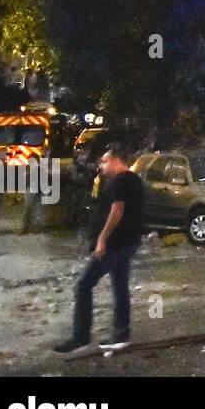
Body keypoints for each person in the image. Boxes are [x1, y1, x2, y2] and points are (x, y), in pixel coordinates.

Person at [53, 144, 144, 354]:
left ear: (116, 160)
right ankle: (121, 334)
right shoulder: (133, 179)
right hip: (127, 242)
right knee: (120, 287)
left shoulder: (121, 181)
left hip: (114, 244)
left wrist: (102, 239)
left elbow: (117, 210)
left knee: (83, 285)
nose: (101, 165)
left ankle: (80, 337)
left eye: (104, 161)